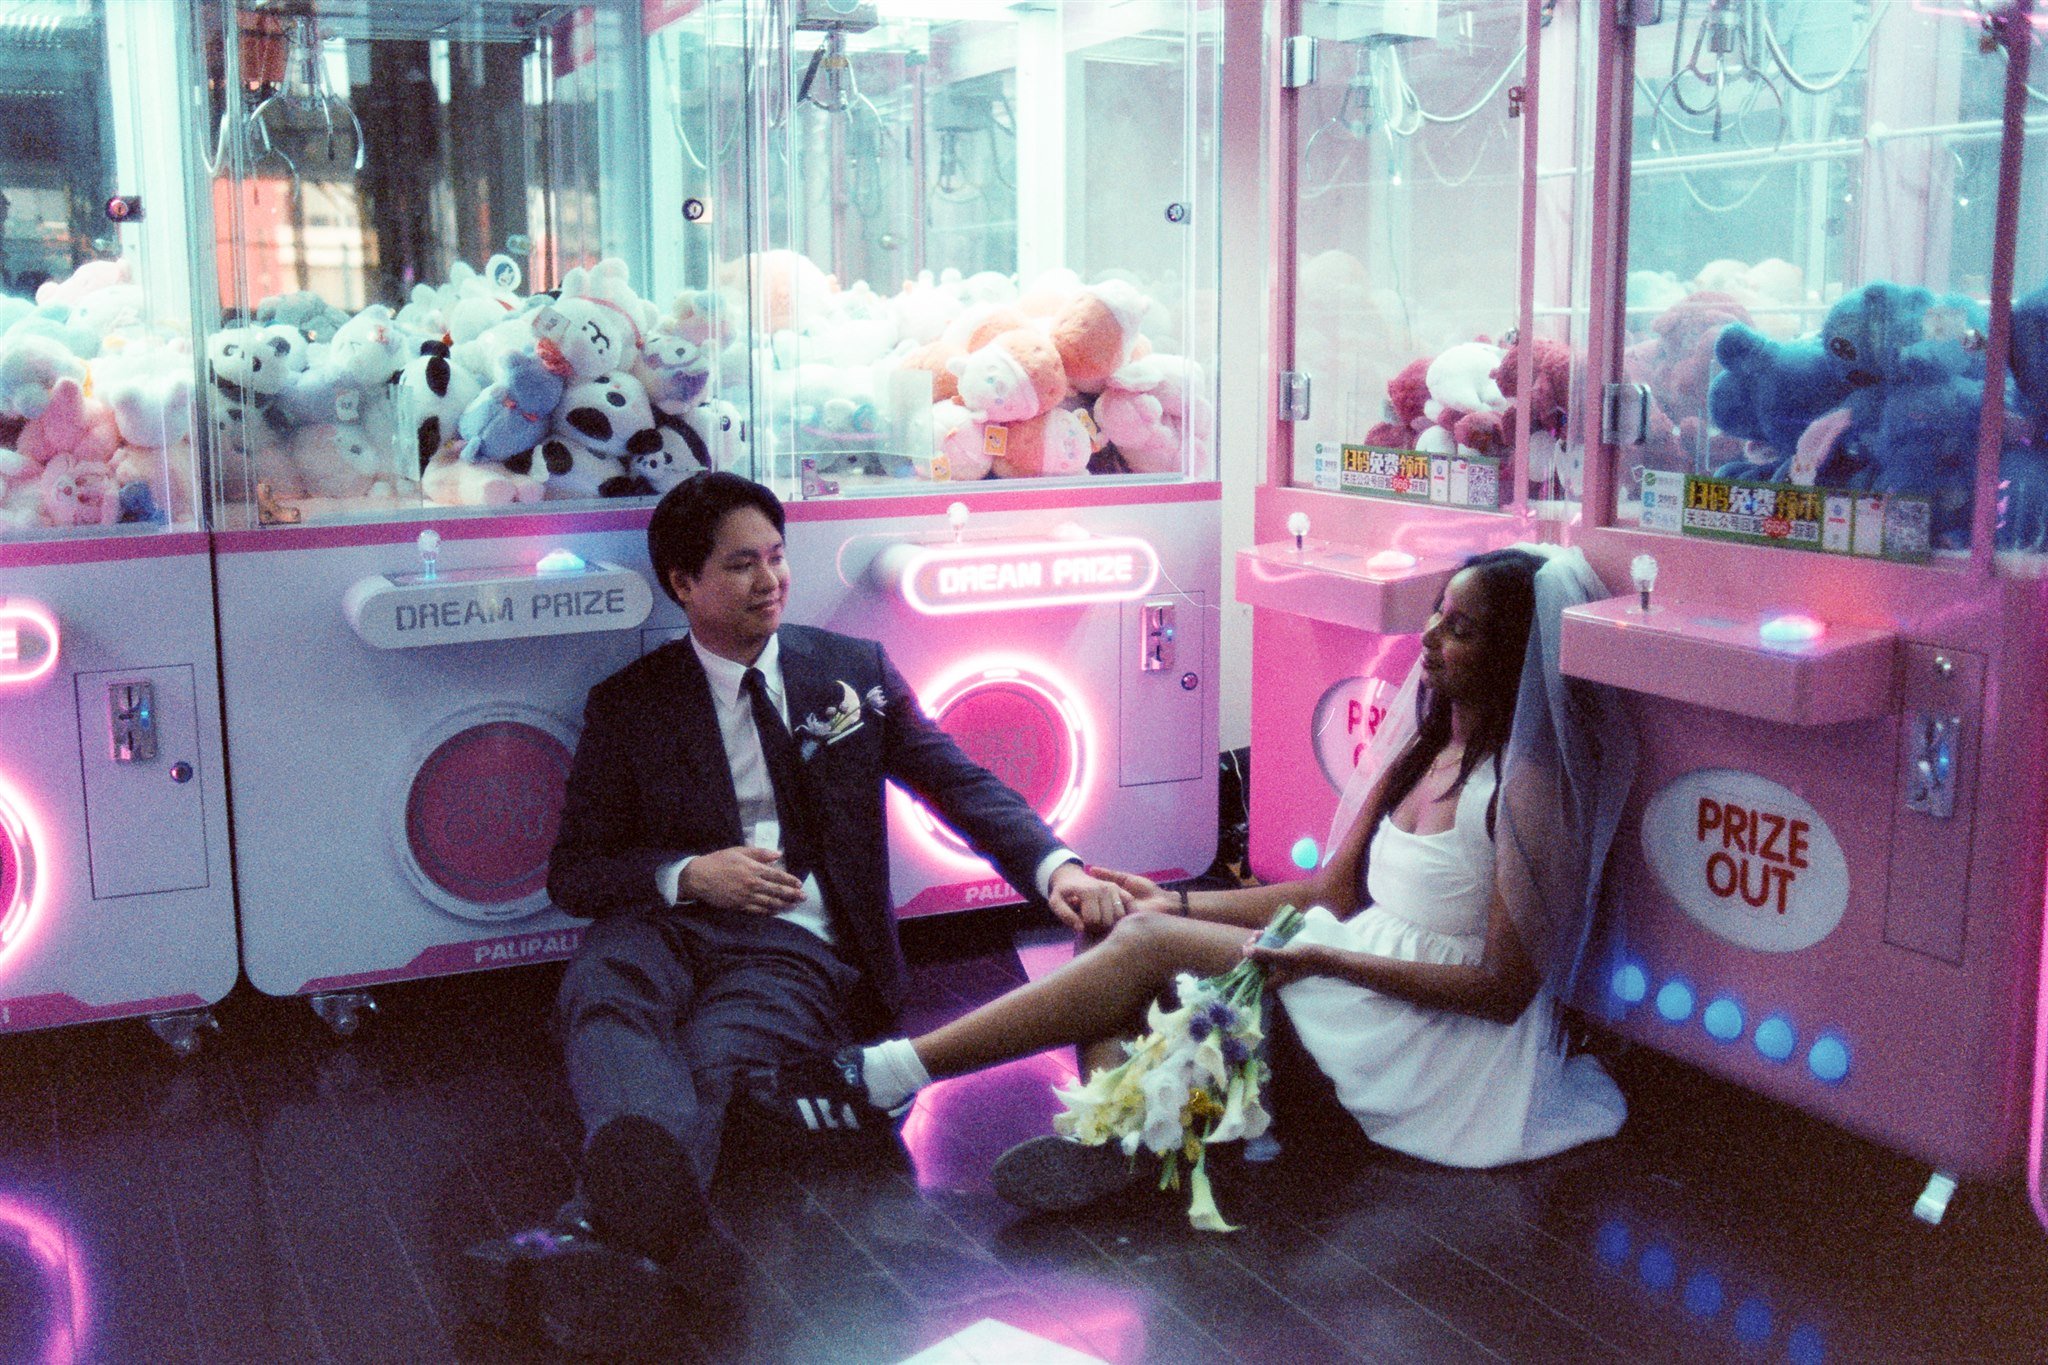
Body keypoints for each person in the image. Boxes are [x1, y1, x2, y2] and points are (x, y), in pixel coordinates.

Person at [466, 472, 1128, 1353]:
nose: (770, 580)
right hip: (666, 923)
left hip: (791, 943)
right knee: (607, 990)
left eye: (776, 557)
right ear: (683, 583)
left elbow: (960, 783)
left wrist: (1057, 867)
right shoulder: (631, 702)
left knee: (712, 1062)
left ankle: (591, 1236)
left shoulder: (852, 672)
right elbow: (577, 874)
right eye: (741, 564)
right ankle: (634, 1241)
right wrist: (692, 873)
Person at [764, 546, 1633, 1213]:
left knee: (1140, 940)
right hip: (1344, 965)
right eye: (1438, 614)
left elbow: (1501, 991)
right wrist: (1171, 898)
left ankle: (891, 1070)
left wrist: (1323, 961)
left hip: (1431, 1042)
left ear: (1513, 656)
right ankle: (1114, 1130)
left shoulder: (1527, 787)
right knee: (1114, 922)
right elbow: (1329, 896)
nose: (1430, 639)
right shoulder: (1421, 747)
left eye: (1460, 629)